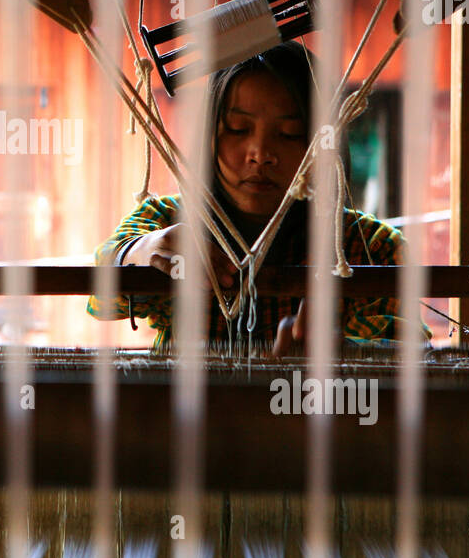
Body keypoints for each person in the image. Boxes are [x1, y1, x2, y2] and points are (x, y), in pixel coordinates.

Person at [87, 41, 428, 356]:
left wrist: (343, 353)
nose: (261, 154)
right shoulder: (168, 220)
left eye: (289, 134)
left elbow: (406, 352)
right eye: (237, 129)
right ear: (209, 136)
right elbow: (102, 299)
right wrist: (147, 250)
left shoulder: (368, 247)